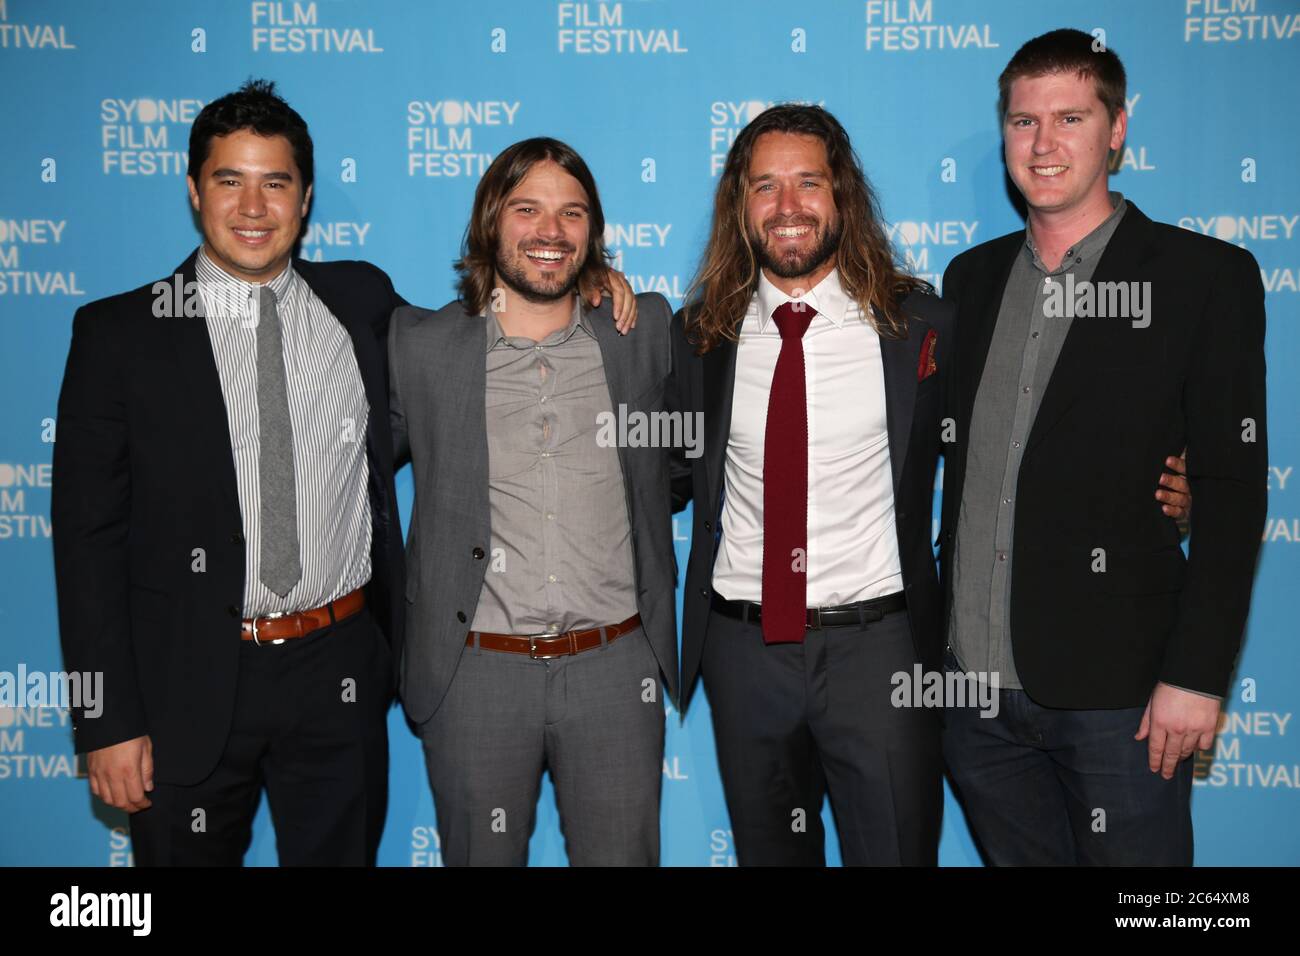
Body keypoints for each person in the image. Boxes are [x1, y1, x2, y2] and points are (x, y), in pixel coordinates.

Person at [52, 79, 405, 865]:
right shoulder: (118, 335)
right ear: (193, 190)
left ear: (305, 198)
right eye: (229, 180)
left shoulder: (361, 302)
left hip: (339, 669)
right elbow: (86, 545)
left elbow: (484, 342)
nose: (253, 206)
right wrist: (104, 719)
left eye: (275, 182)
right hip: (182, 679)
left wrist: (590, 287)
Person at [939, 29, 1267, 866]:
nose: (1044, 144)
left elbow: (1231, 493)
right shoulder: (969, 281)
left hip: (1125, 699)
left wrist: (1196, 678)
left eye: (1071, 117)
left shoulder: (1204, 280)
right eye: (1023, 122)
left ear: (1117, 130)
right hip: (974, 689)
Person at [669, 105, 954, 865]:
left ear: (842, 196)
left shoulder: (919, 326)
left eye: (808, 184)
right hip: (744, 650)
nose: (788, 207)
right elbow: (655, 474)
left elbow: (1006, 450)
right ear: (740, 206)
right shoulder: (699, 338)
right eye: (765, 187)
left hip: (881, 652)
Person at [389, 137, 676, 866]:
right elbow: (347, 468)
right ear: (492, 219)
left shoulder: (642, 332)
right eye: (528, 209)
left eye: (571, 213)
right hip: (476, 673)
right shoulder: (421, 347)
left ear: (593, 232)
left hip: (615, 669)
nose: (551, 231)